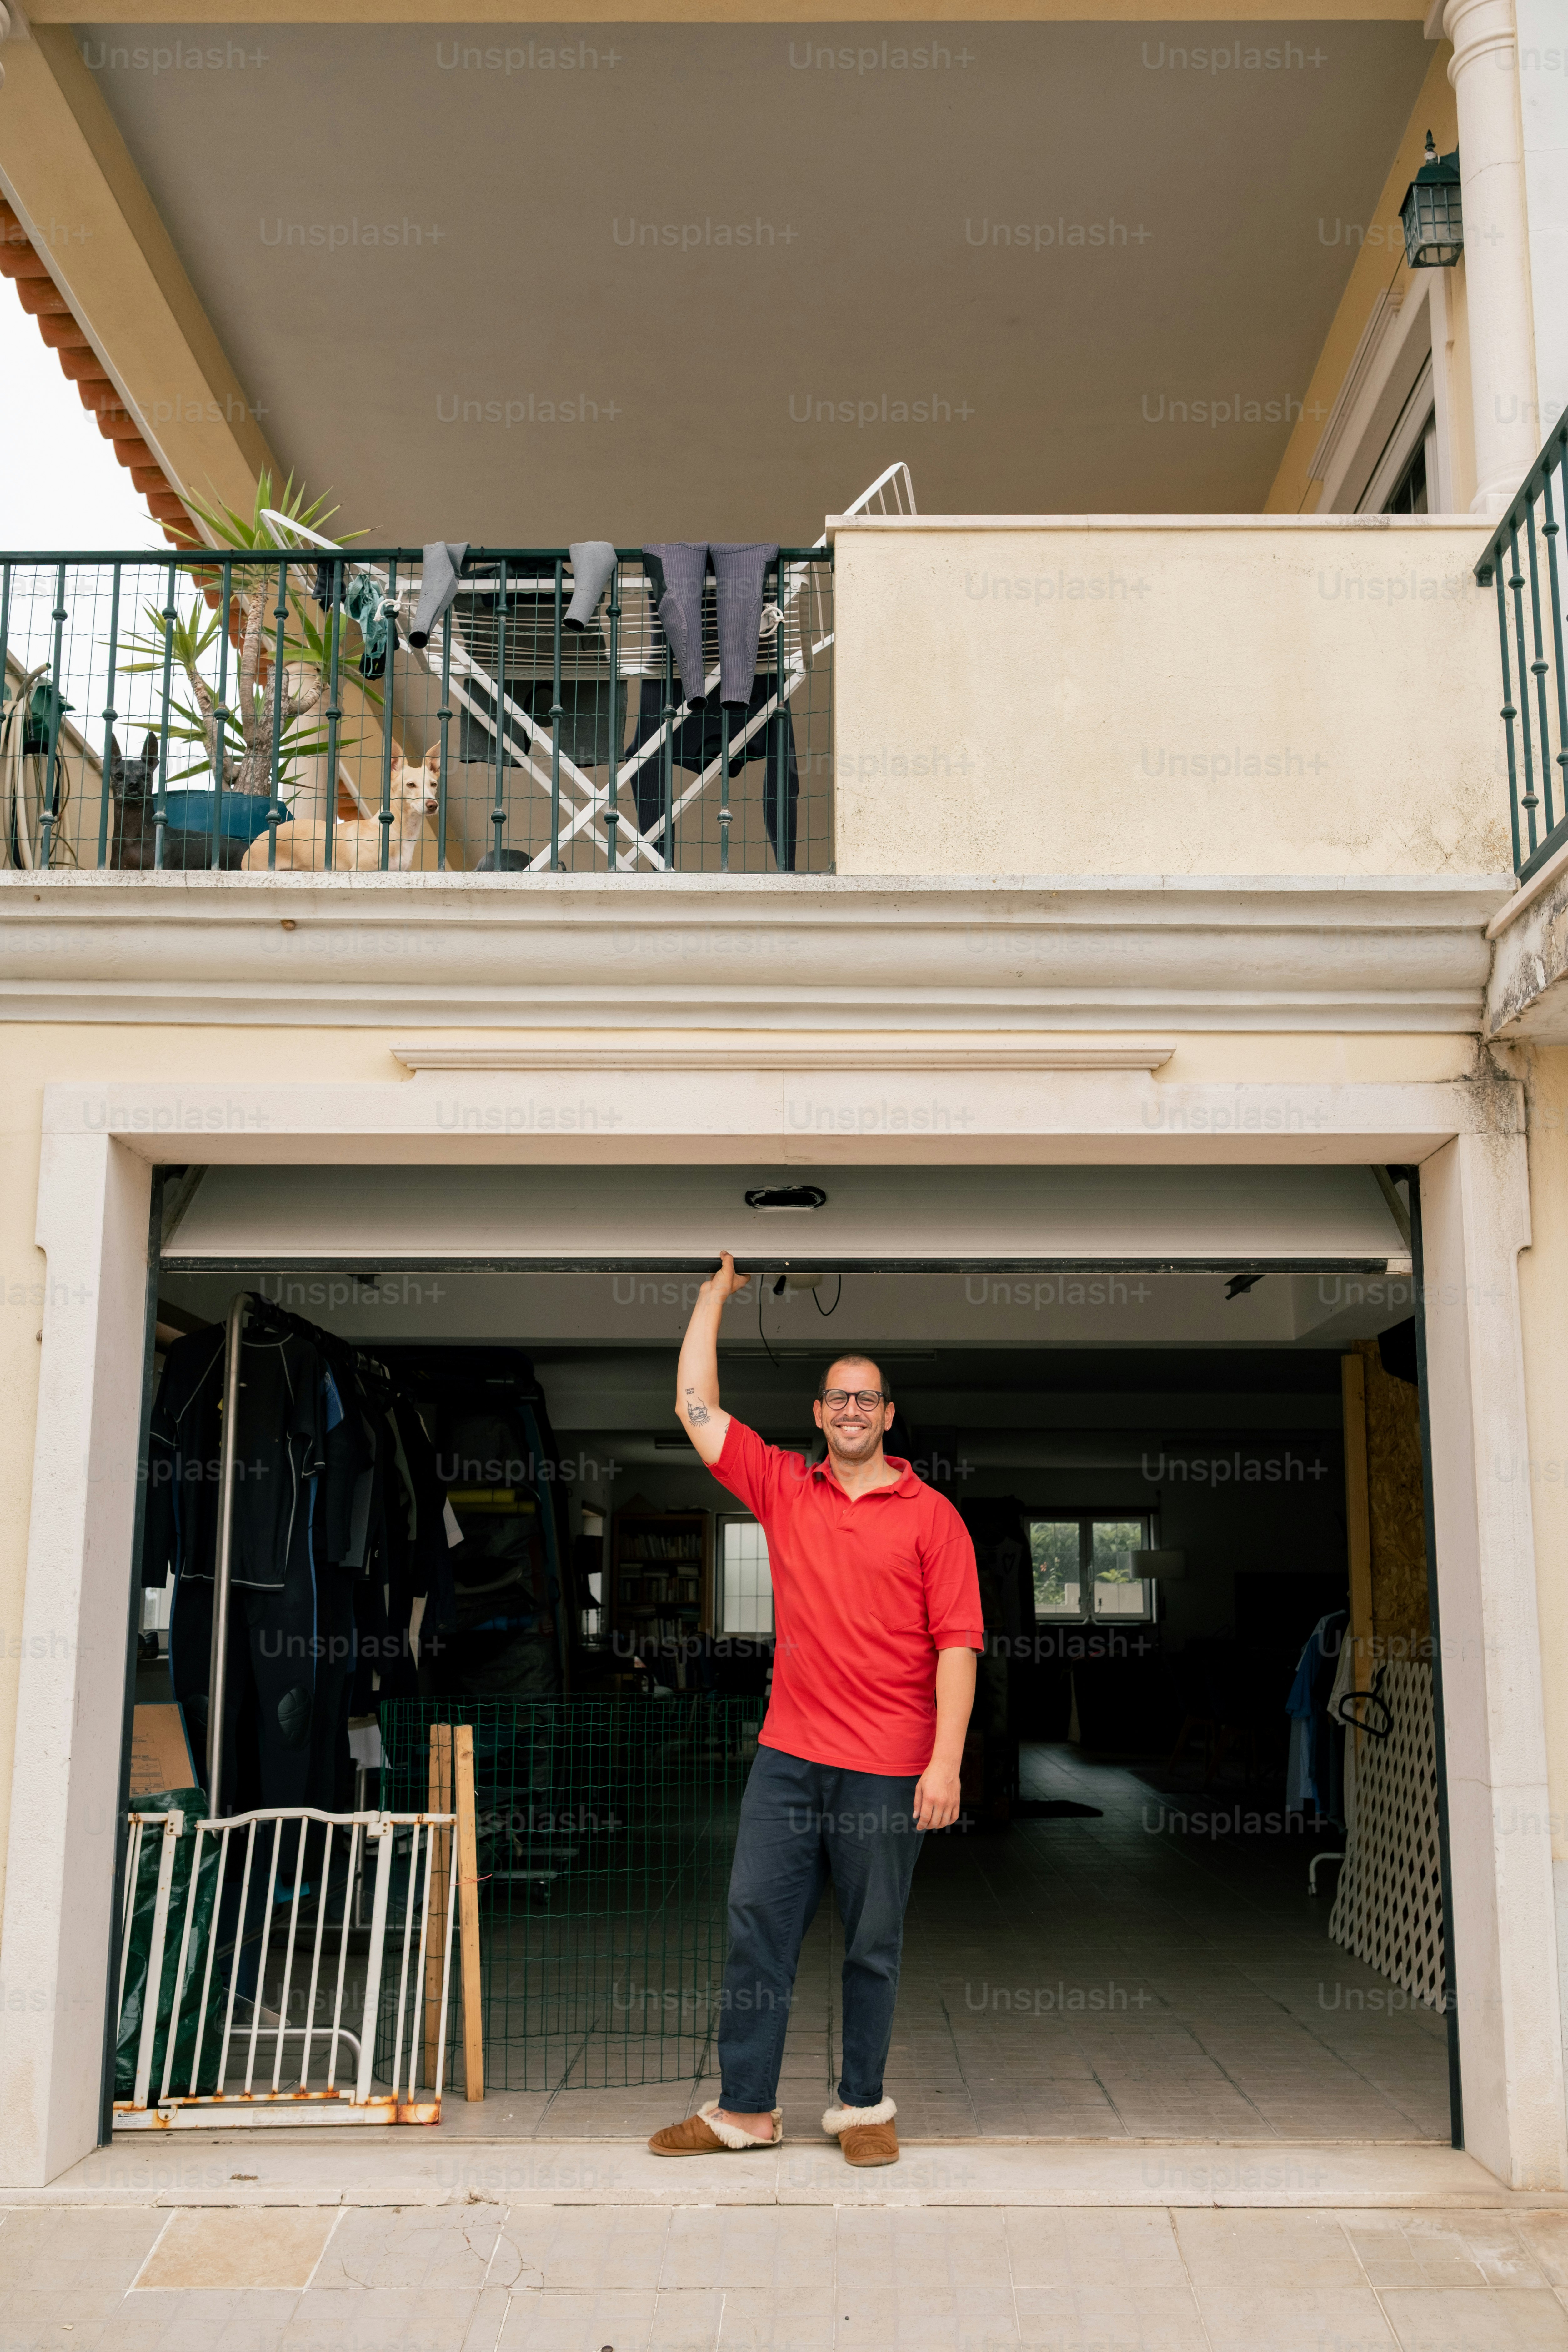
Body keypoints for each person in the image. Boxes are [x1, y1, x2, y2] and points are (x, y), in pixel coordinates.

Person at [648, 1251, 982, 2169]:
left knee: (871, 1943)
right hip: (787, 1759)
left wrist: (944, 1762)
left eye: (865, 1398)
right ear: (816, 1416)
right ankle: (746, 2111)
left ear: (885, 1414)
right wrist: (712, 1298)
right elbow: (694, 1407)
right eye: (835, 1398)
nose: (849, 1410)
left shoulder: (933, 1517)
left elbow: (958, 1645)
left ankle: (863, 2106)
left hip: (888, 1764)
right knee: (756, 1925)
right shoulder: (783, 1491)